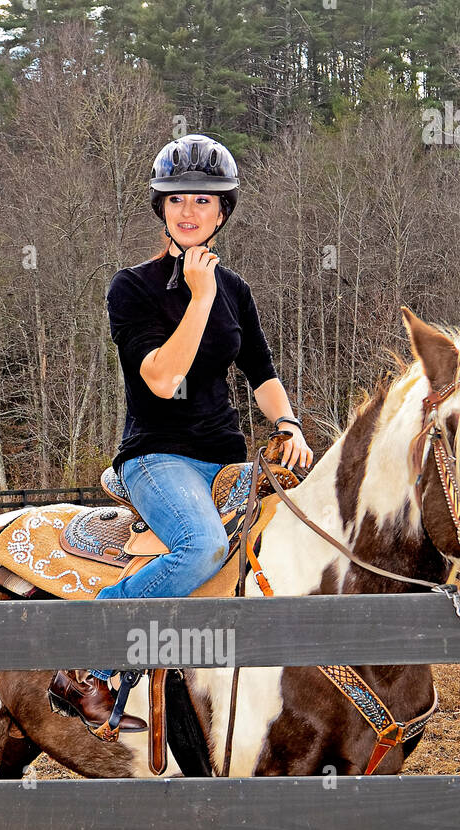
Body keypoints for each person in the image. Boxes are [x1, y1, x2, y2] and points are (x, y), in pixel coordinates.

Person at [48, 134, 313, 733]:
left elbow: (262, 374)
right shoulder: (132, 287)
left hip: (226, 461)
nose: (188, 211)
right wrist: (197, 296)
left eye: (203, 200)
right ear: (161, 209)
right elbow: (163, 379)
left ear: (222, 213)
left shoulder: (237, 291)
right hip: (157, 456)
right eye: (176, 201)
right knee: (202, 548)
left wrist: (289, 423)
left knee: (306, 525)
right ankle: (83, 659)